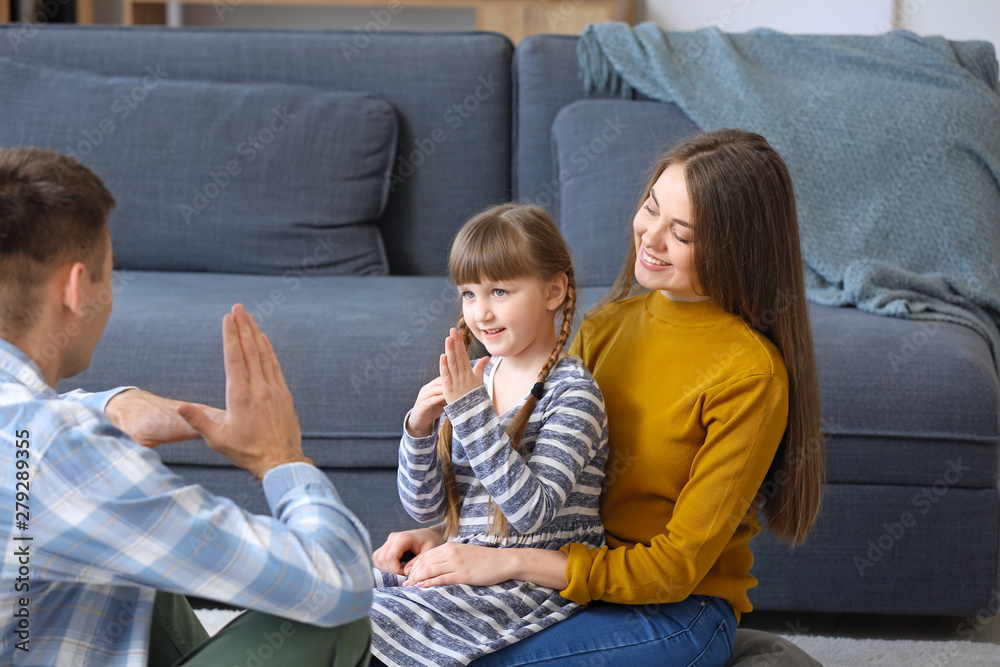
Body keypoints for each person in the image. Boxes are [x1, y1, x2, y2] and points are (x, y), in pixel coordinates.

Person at [373, 129, 826, 666]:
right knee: (388, 622)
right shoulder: (608, 325)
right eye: (650, 209)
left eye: (681, 234)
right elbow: (546, 476)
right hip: (568, 586)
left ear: (735, 247)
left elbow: (674, 569)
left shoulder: (750, 374)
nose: (650, 239)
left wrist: (502, 565)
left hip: (674, 612)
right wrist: (447, 540)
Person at [0, 147, 373, 666]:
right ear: (74, 288)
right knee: (330, 624)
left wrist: (108, 407)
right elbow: (338, 581)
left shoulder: (35, 435)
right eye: (109, 273)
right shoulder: (60, 454)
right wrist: (280, 457)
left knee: (125, 552)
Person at [368, 204, 609, 666]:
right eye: (468, 293)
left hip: (529, 583)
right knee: (334, 597)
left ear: (553, 290)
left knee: (377, 624)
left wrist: (470, 411)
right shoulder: (478, 377)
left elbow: (530, 514)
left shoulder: (574, 393)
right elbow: (427, 507)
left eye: (499, 291)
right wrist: (418, 429)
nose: (481, 312)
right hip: (466, 561)